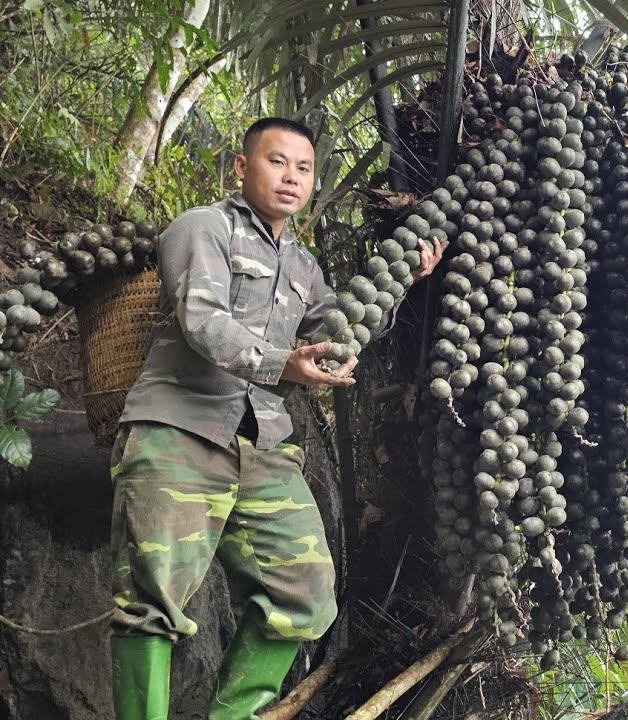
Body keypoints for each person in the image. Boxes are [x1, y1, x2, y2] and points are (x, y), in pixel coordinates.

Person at [107, 117, 446, 720]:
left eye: (304, 167)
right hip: (180, 431)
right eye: (277, 161)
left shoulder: (304, 268)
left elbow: (337, 338)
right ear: (242, 168)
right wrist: (281, 363)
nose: (291, 177)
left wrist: (402, 285)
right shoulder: (202, 227)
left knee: (307, 596)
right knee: (151, 600)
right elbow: (202, 320)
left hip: (262, 449)